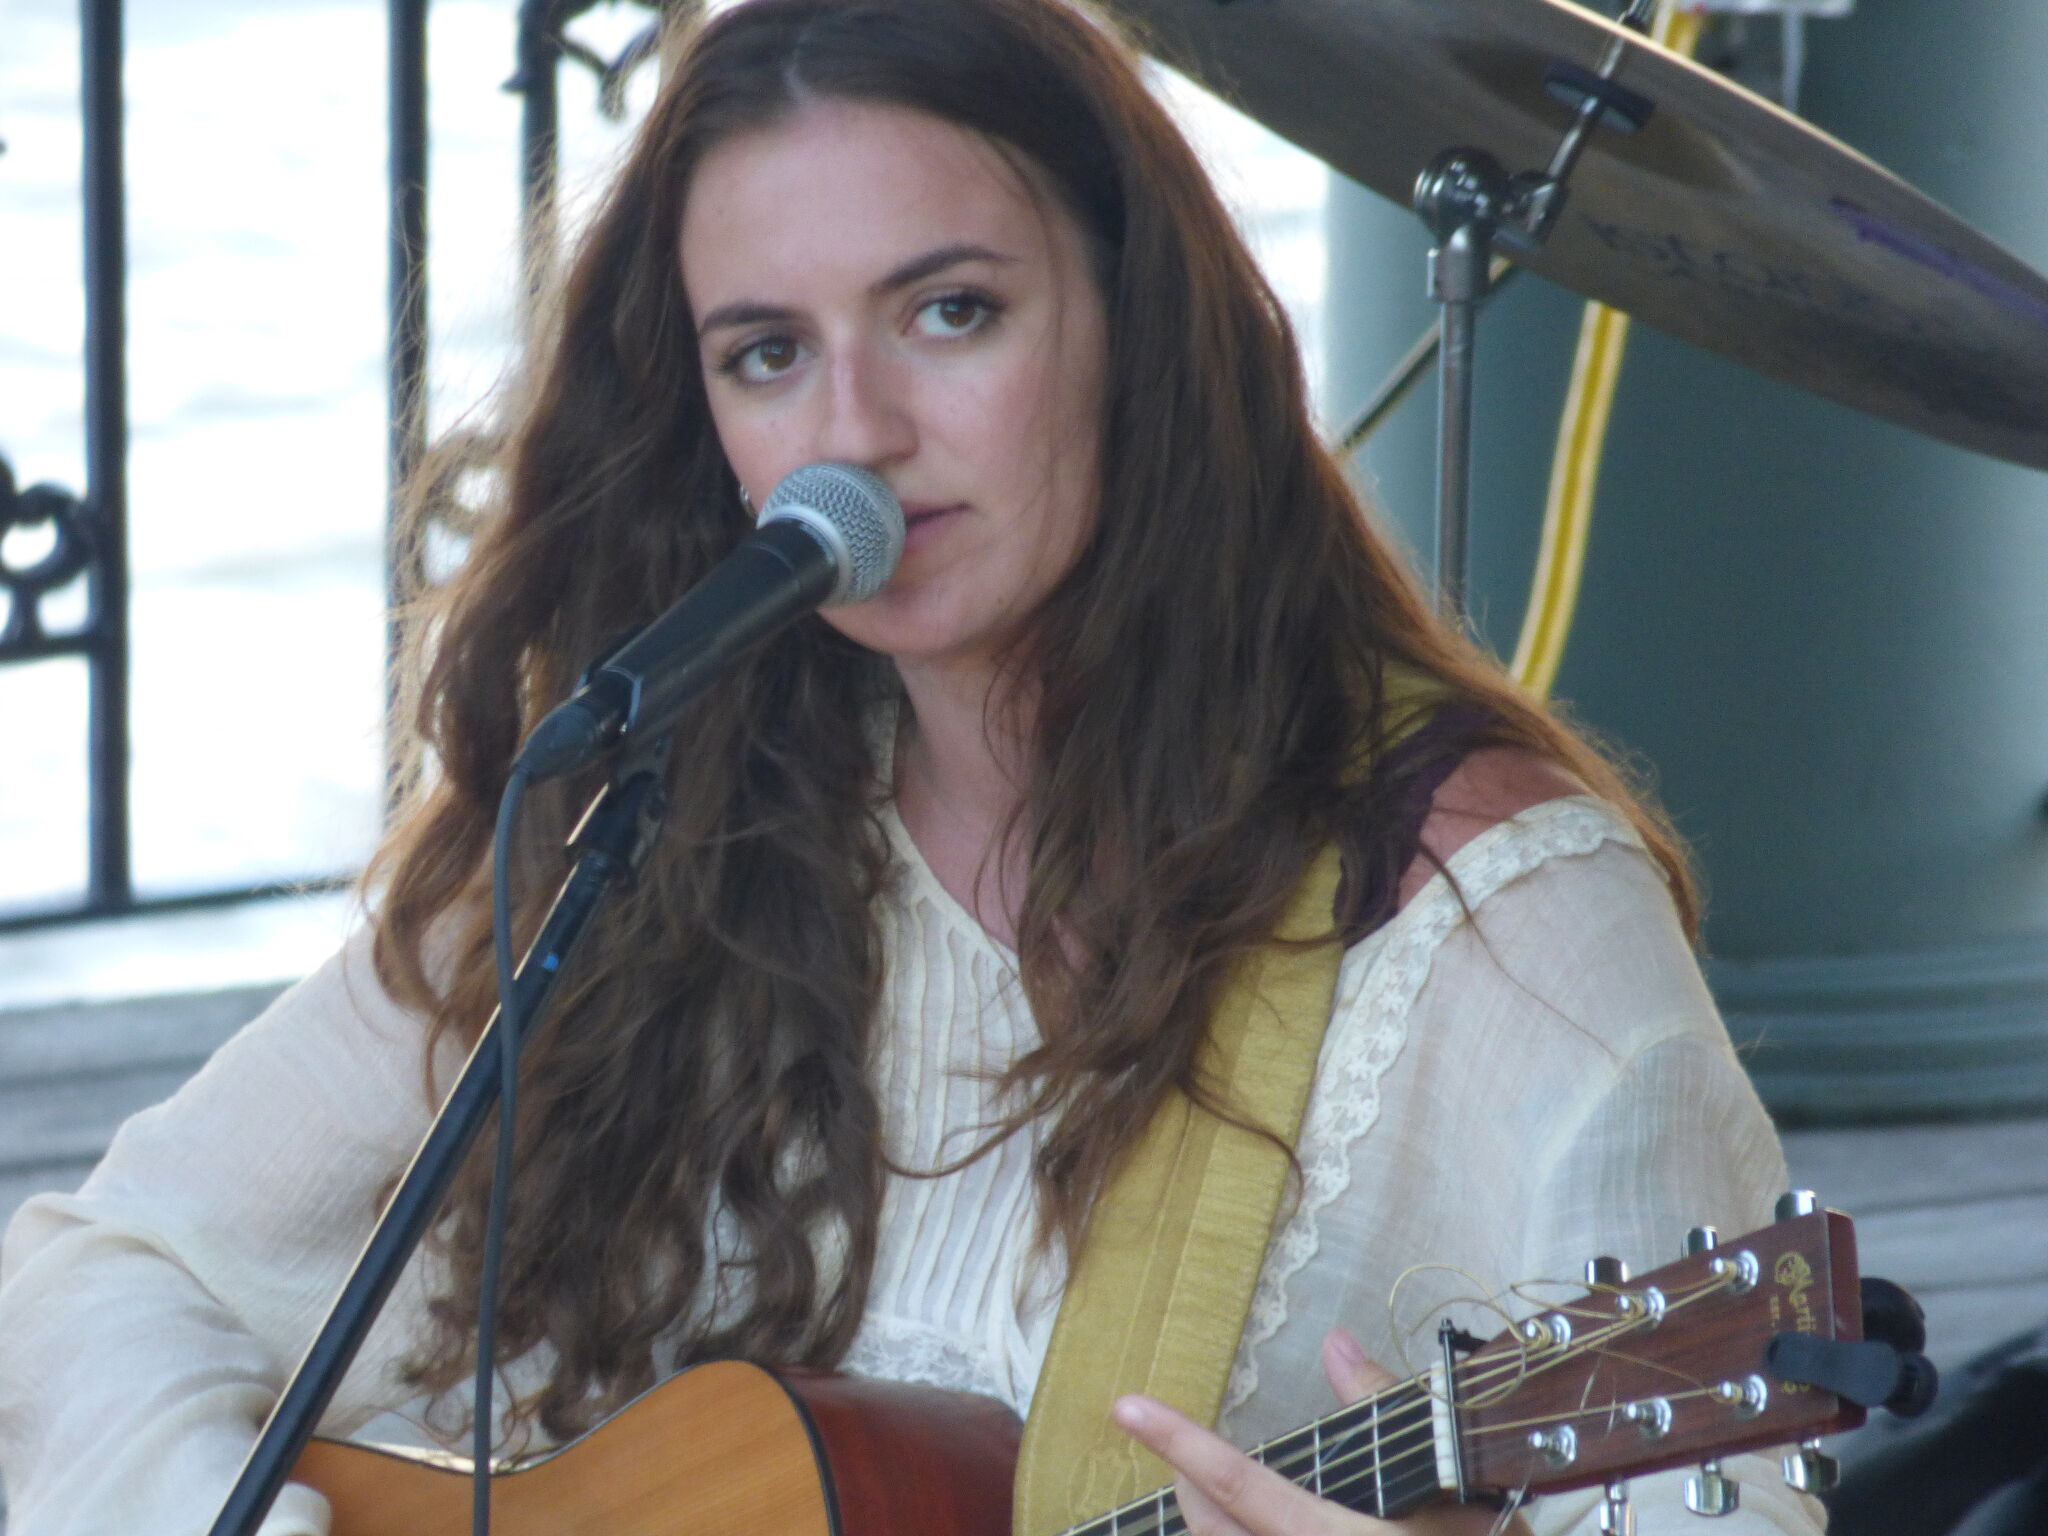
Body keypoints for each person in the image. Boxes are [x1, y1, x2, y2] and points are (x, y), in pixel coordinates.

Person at [0, 1, 1825, 1532]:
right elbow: (102, 1275)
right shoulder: (667, 816)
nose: (851, 436)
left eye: (952, 311)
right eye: (766, 354)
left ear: (1137, 319)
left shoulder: (1485, 923)